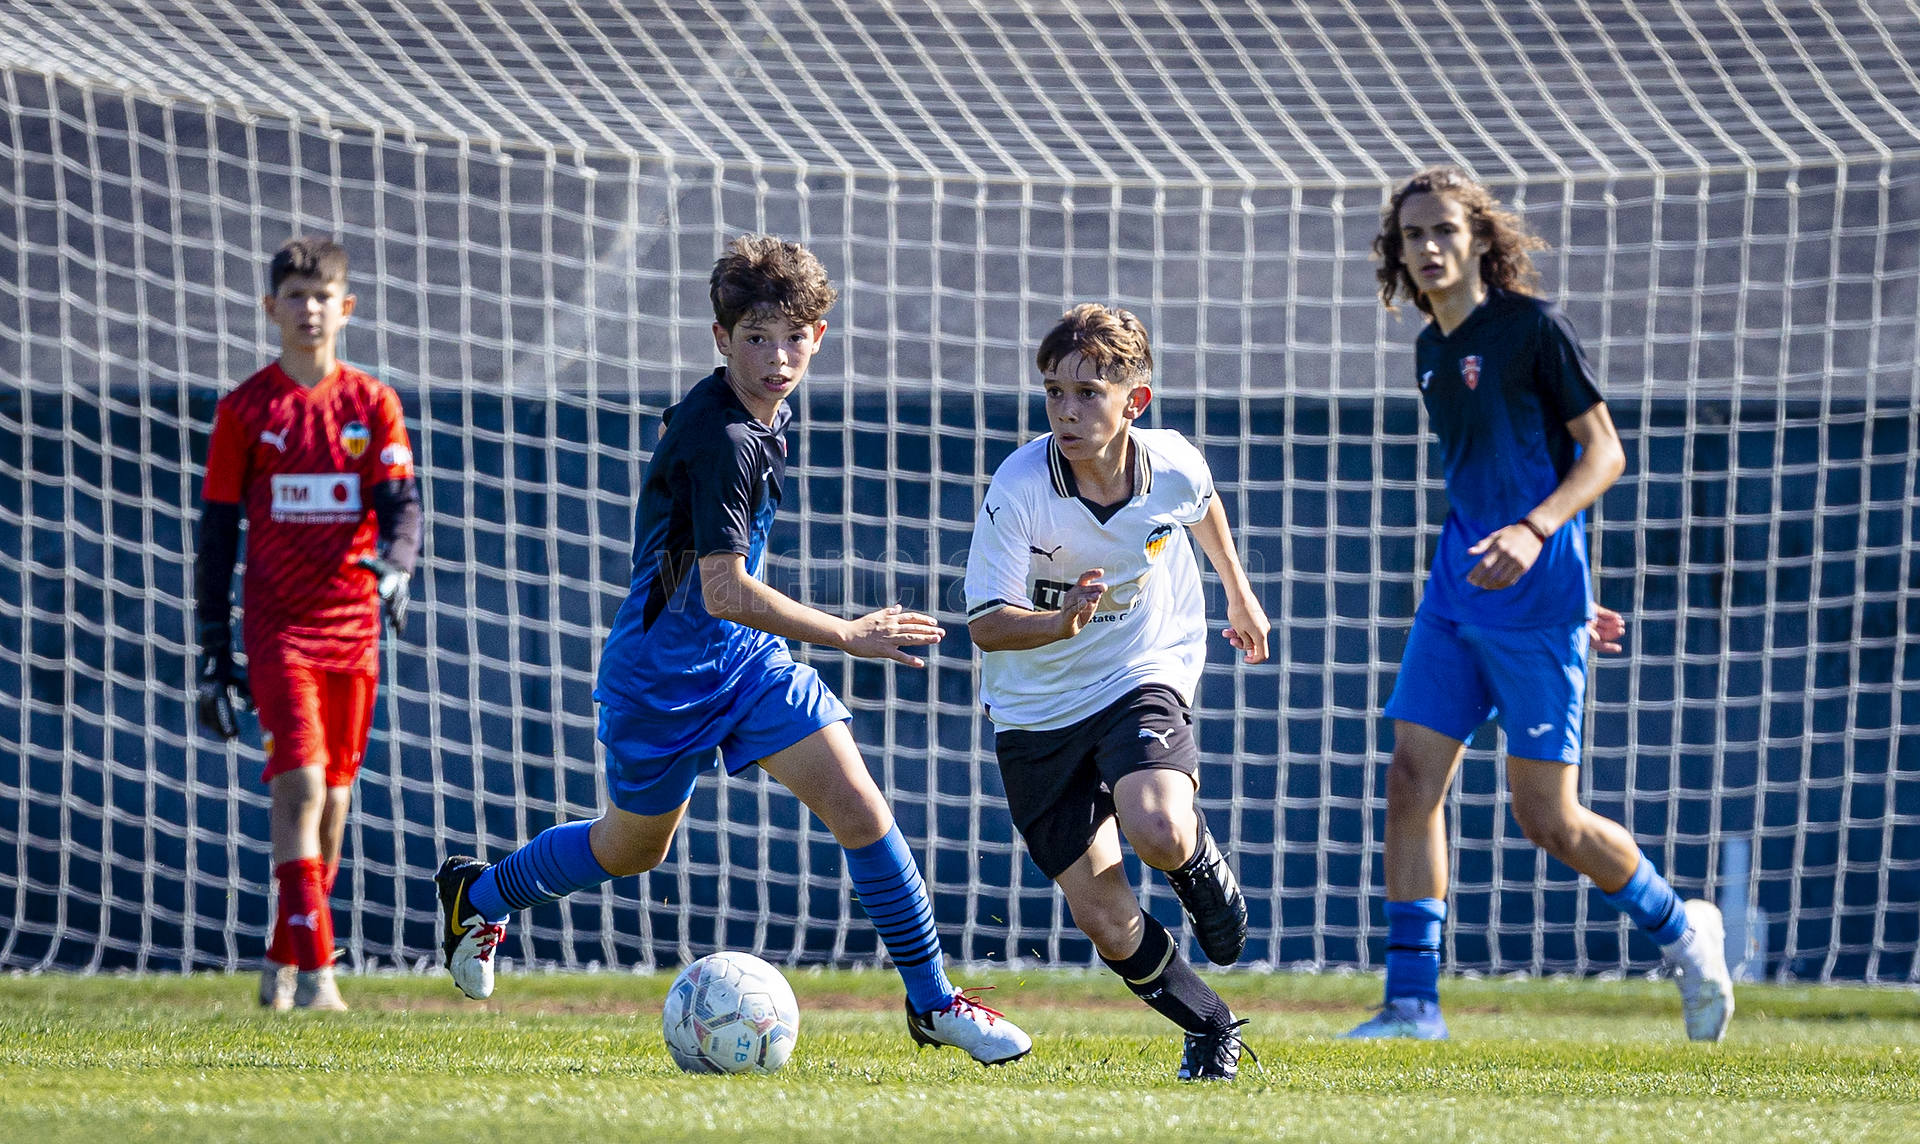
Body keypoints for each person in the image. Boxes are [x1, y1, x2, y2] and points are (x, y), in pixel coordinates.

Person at [434, 234, 1031, 1066]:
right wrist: (849, 634)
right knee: (631, 849)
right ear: (722, 341)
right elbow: (723, 588)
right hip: (662, 679)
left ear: (819, 336)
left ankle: (935, 1003)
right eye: (756, 337)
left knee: (861, 810)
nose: (777, 357)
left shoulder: (756, 414)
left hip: (747, 665)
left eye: (794, 336)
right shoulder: (726, 437)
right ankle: (483, 892)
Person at [1347, 165, 1734, 1041]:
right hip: (1457, 591)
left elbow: (1603, 455)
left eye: (1444, 229)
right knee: (1410, 781)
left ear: (1480, 237)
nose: (1429, 248)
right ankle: (1411, 1006)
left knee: (1547, 819)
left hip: (1536, 596)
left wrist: (1538, 541)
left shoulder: (1531, 329)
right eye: (1413, 235)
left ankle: (1683, 927)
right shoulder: (1431, 351)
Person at [963, 303, 1270, 1080]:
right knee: (1103, 916)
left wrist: (1240, 594)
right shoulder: (1021, 485)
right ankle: (1210, 1025)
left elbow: (1203, 510)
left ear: (1136, 400)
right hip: (1034, 707)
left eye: (1089, 392)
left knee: (1160, 825)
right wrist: (1060, 623)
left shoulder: (1173, 463)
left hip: (1142, 665)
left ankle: (1200, 871)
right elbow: (988, 625)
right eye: (1055, 393)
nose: (1068, 411)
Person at [195, 235, 419, 1011]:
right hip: (277, 627)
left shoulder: (372, 404)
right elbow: (217, 536)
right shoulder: (245, 410)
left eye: (322, 296)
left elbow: (401, 512)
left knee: (337, 794)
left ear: (345, 308)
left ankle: (281, 956)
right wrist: (213, 646)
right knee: (299, 787)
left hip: (352, 626)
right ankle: (320, 973)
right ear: (271, 310)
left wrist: (397, 565)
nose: (309, 309)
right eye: (294, 296)